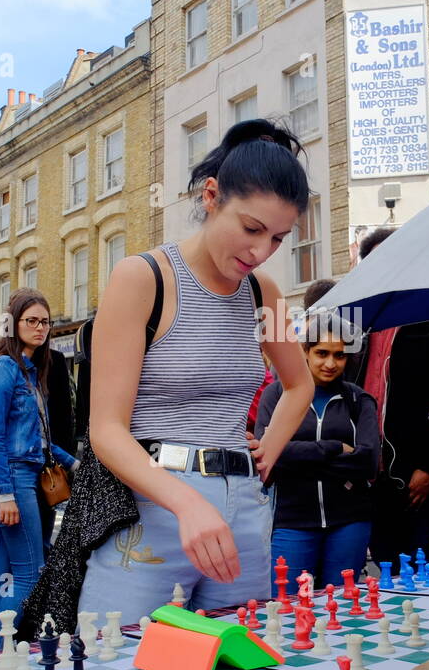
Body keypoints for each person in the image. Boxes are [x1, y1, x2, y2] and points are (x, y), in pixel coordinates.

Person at [75, 119, 314, 622]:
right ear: (211, 196)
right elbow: (106, 430)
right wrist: (187, 504)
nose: (260, 251)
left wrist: (269, 447)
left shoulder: (262, 292)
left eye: (278, 238)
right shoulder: (143, 278)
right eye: (251, 229)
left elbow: (300, 383)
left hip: (243, 509)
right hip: (152, 506)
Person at [348, 227, 429, 568]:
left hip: (417, 473)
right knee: (384, 564)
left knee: (423, 566)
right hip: (371, 473)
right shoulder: (358, 325)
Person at [0, 289, 77, 649]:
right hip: (11, 479)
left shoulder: (31, 371)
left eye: (45, 322)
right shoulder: (3, 368)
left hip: (22, 474)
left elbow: (39, 438)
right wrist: (5, 493)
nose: (40, 328)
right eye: (31, 321)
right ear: (14, 324)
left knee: (3, 574)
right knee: (30, 572)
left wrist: (74, 462)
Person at [256, 313, 379, 589]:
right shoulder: (276, 396)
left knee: (345, 608)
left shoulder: (359, 399)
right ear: (306, 352)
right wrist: (333, 448)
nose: (330, 363)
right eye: (322, 353)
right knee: (288, 606)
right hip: (292, 521)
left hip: (350, 522)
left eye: (340, 355)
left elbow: (368, 462)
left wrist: (297, 458)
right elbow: (269, 454)